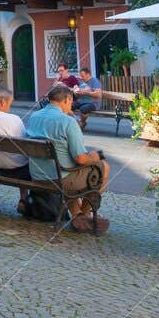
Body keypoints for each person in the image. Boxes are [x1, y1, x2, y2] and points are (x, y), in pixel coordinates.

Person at [25, 84, 110, 233]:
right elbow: (81, 159)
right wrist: (95, 157)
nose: (71, 106)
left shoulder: (34, 116)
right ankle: (84, 215)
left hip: (37, 175)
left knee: (68, 167)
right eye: (71, 102)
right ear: (67, 100)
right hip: (60, 178)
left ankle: (77, 215)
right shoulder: (67, 122)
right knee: (102, 167)